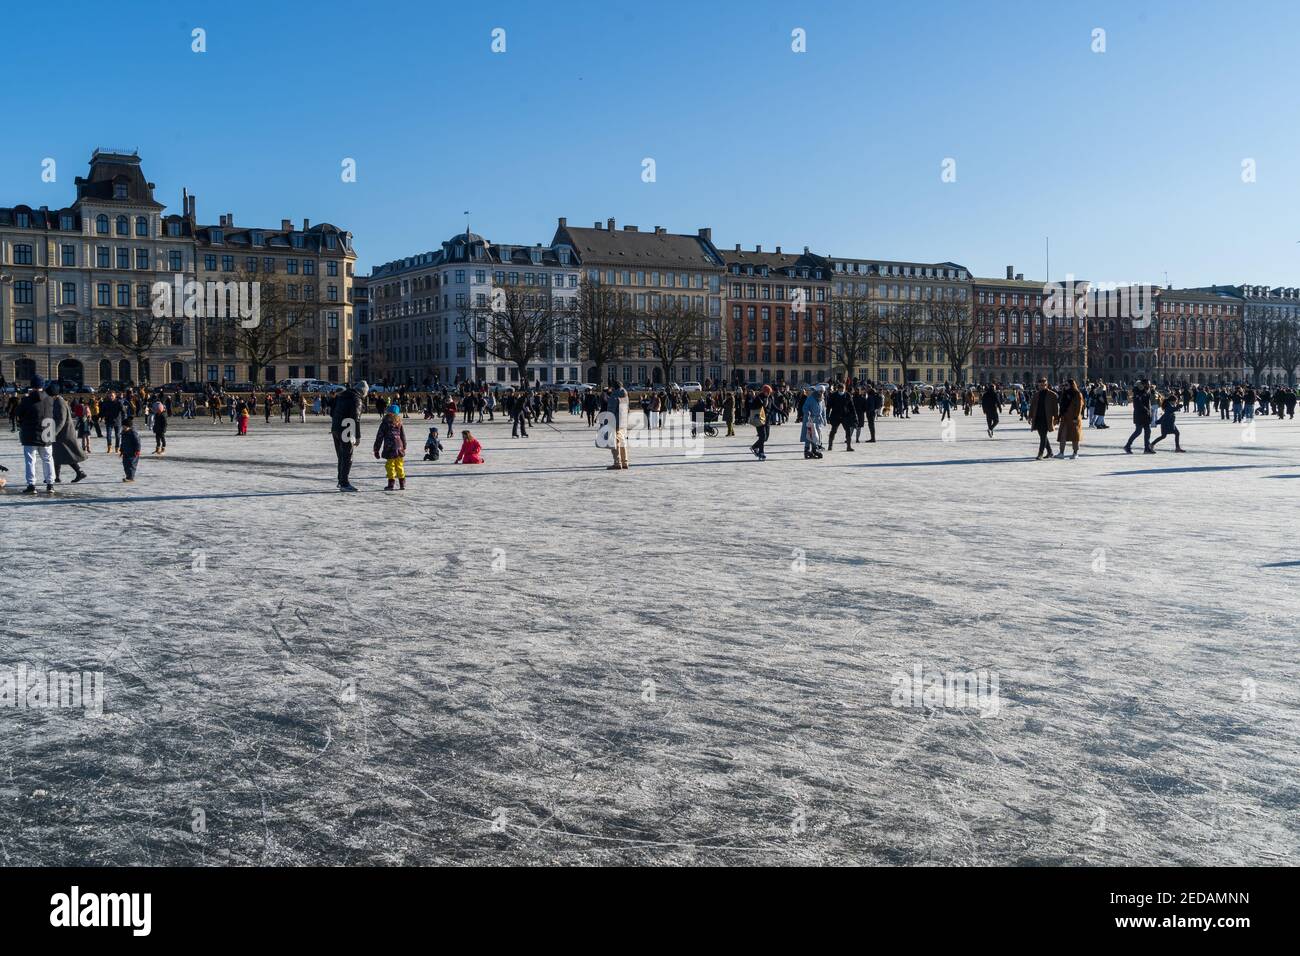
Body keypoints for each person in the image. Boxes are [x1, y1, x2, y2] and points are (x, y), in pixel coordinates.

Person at [17, 377, 56, 495]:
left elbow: (18, 413)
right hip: (47, 432)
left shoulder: (26, 400)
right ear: (42, 386)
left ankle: (31, 485)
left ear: (32, 386)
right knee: (48, 459)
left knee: (30, 461)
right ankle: (50, 484)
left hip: (30, 433)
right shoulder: (50, 399)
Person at [331, 380, 368, 492]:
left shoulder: (342, 396)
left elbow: (332, 413)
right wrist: (357, 436)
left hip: (335, 428)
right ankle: (344, 483)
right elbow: (356, 419)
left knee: (341, 456)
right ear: (363, 392)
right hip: (346, 430)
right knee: (347, 457)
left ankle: (341, 480)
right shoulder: (356, 399)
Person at [47, 383, 88, 484]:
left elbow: (61, 420)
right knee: (57, 454)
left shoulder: (60, 403)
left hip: (63, 434)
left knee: (65, 454)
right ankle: (57, 476)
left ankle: (78, 472)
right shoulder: (56, 401)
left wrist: (54, 432)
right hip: (61, 433)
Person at [373, 409, 408, 490]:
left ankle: (391, 483)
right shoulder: (399, 423)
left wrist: (376, 449)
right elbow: (403, 435)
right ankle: (402, 483)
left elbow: (379, 437)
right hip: (399, 447)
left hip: (390, 448)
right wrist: (404, 446)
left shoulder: (384, 424)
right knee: (399, 465)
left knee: (390, 466)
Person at [1029, 378, 1058, 460]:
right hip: (1037, 418)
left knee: (1043, 436)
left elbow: (1056, 408)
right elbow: (1032, 406)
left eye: (1044, 385)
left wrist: (1056, 418)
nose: (1043, 386)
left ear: (1047, 384)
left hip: (1047, 418)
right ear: (1038, 385)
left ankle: (1040, 454)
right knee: (1043, 436)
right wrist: (1030, 416)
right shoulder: (1036, 395)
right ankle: (1050, 452)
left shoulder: (1052, 395)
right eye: (1041, 385)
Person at [1124, 380, 1155, 454]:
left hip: (1146, 414)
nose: (1149, 385)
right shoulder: (1137, 392)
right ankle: (1127, 446)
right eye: (1148, 384)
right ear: (1143, 384)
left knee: (1148, 431)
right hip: (1139, 414)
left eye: (1149, 384)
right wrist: (1146, 409)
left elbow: (1148, 402)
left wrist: (1149, 411)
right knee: (1138, 431)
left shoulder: (1147, 391)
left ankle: (1147, 448)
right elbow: (1137, 404)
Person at [1056, 379, 1084, 459]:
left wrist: (1076, 417)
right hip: (1065, 418)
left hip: (1073, 418)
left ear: (1072, 385)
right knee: (1062, 436)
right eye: (1064, 385)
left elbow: (1079, 407)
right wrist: (1059, 416)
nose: (1065, 387)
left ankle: (1075, 453)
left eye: (1067, 385)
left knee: (1074, 436)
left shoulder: (1077, 394)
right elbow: (1061, 406)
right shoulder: (1064, 394)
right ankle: (1061, 452)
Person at [605, 380, 630, 470]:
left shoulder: (614, 396)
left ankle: (617, 462)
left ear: (613, 387)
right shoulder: (625, 395)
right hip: (623, 421)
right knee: (623, 441)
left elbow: (611, 410)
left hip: (615, 422)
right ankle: (625, 462)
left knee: (615, 442)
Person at [801, 385, 827, 459]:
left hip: (818, 420)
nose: (822, 393)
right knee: (809, 435)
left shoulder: (822, 399)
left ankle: (814, 449)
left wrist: (824, 419)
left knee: (816, 435)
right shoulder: (810, 398)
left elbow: (823, 410)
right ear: (817, 391)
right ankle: (807, 450)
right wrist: (808, 412)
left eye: (823, 392)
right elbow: (805, 407)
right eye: (820, 391)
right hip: (810, 420)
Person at [120, 417, 143, 482]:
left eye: (125, 427)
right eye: (123, 426)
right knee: (125, 465)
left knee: (131, 465)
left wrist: (138, 450)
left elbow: (138, 442)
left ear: (129, 426)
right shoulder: (123, 433)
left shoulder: (133, 433)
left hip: (133, 453)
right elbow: (122, 442)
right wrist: (121, 450)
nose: (123, 428)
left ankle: (131, 477)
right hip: (126, 452)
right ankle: (128, 476)